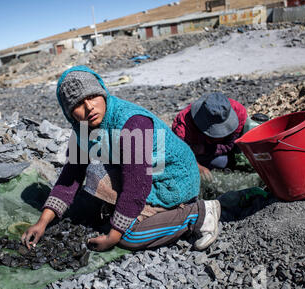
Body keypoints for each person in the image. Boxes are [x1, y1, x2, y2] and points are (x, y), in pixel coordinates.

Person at [21, 66, 221, 253]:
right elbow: (70, 176)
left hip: (172, 180)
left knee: (129, 237)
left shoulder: (132, 123)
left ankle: (198, 213)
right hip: (143, 173)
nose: (89, 107)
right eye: (78, 104)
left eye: (92, 96)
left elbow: (137, 184)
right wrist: (42, 223)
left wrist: (113, 236)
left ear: (103, 93)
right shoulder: (81, 129)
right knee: (93, 176)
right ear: (69, 113)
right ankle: (141, 214)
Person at [171, 92, 247, 182]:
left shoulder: (239, 112)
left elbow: (229, 144)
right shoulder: (183, 124)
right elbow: (179, 154)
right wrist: (196, 166)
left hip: (218, 151)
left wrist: (206, 149)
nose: (218, 136)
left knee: (229, 161)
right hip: (197, 155)